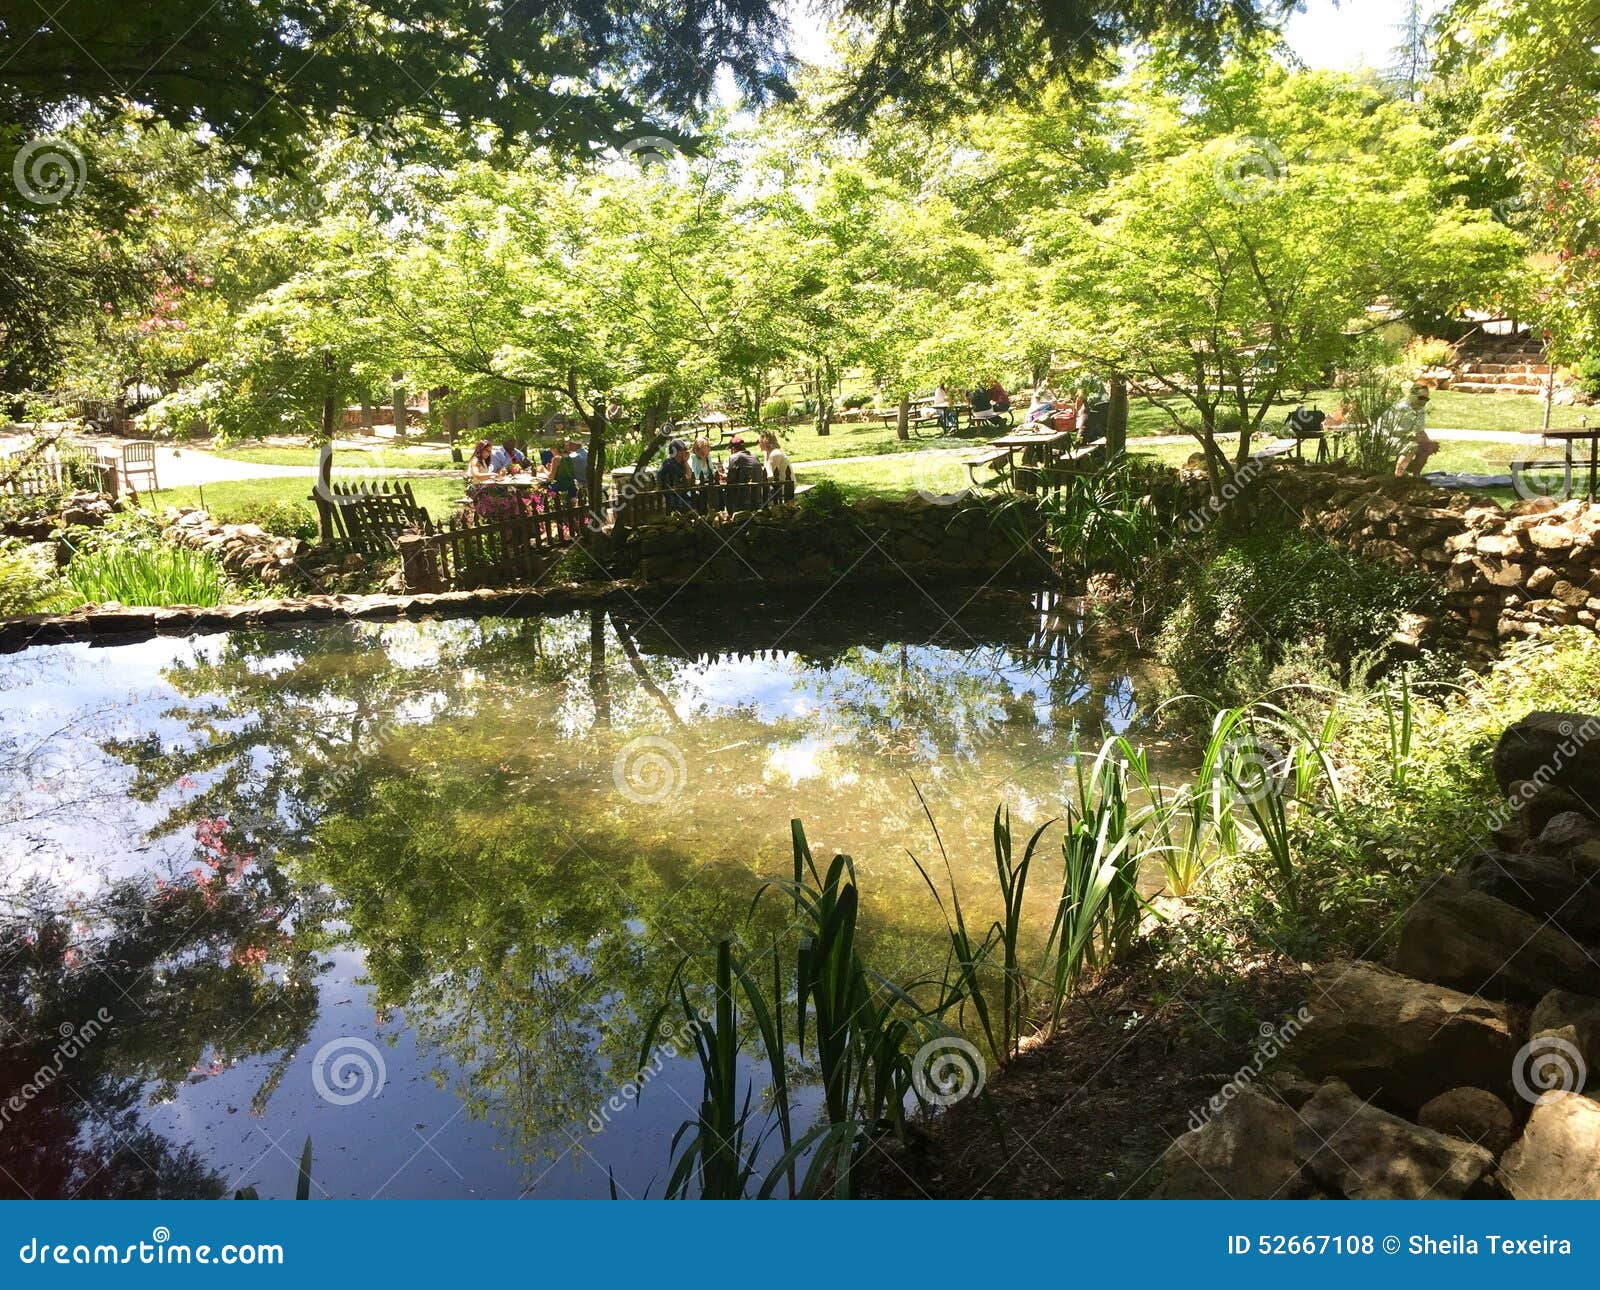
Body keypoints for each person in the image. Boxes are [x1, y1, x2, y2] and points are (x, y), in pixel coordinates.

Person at [1388, 386, 1437, 476]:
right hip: (1387, 438)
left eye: (1426, 399)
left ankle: (1415, 476)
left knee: (1426, 447)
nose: (1424, 401)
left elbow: (1420, 430)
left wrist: (1429, 442)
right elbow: (1402, 433)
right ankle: (1398, 475)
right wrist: (1423, 441)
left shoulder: (1420, 410)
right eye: (1421, 398)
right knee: (1412, 446)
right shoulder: (1402, 409)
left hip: (1403, 439)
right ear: (1411, 395)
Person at [724, 434, 766, 508]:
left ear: (733, 448)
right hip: (757, 496)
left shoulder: (734, 457)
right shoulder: (755, 456)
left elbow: (730, 480)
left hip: (742, 499)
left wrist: (725, 476)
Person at [657, 439, 693, 511]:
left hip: (680, 493)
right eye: (683, 450)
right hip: (673, 498)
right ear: (678, 452)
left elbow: (690, 478)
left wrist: (685, 462)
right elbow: (688, 478)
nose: (686, 452)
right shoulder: (670, 464)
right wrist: (685, 462)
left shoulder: (679, 463)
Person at [759, 432, 794, 499]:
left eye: (759, 442)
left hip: (784, 487)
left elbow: (769, 475)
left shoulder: (775, 454)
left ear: (765, 442)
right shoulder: (766, 453)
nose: (758, 444)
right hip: (778, 485)